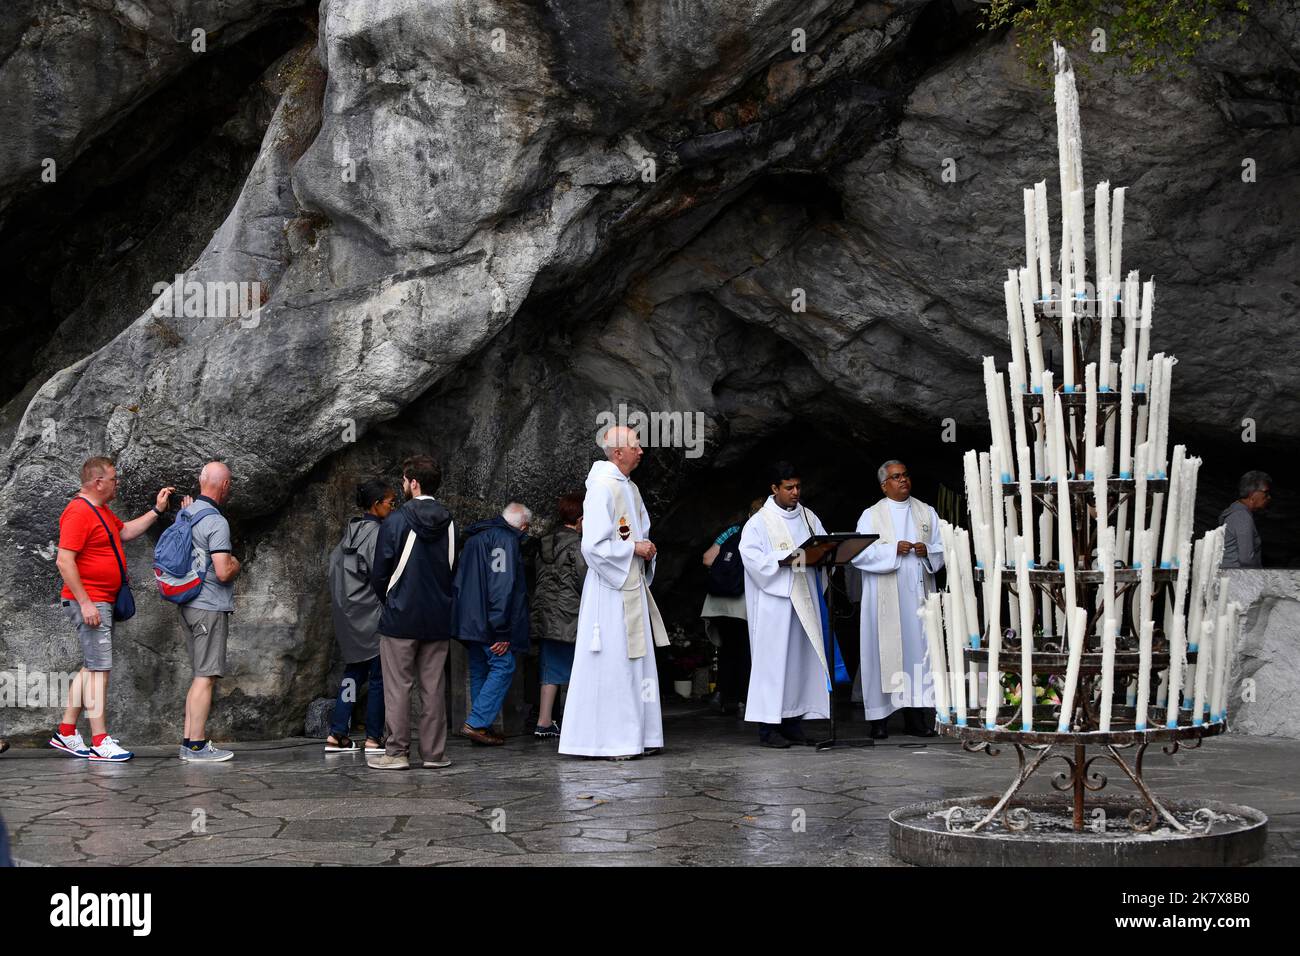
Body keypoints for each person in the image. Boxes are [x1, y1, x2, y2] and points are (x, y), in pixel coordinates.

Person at [50, 456, 178, 762]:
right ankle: (99, 741)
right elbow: (64, 560)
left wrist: (156, 511)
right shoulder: (78, 512)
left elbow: (124, 533)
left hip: (101, 600)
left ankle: (66, 732)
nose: (117, 483)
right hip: (90, 601)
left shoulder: (102, 511)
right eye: (114, 479)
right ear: (98, 482)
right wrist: (85, 602)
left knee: (91, 664)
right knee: (99, 669)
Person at [558, 426, 668, 760]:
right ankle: (610, 741)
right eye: (636, 446)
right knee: (613, 663)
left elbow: (640, 534)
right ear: (617, 453)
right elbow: (593, 546)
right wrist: (634, 548)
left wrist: (645, 549)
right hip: (610, 590)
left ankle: (639, 735)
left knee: (636, 663)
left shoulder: (630, 489)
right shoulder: (602, 489)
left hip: (630, 584)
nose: (642, 451)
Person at [368, 455, 456, 770]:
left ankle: (397, 753)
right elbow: (451, 568)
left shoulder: (395, 521)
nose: (403, 486)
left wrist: (390, 600)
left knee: (398, 687)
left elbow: (380, 572)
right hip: (437, 617)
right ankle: (434, 754)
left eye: (404, 480)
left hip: (400, 617)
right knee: (433, 687)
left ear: (413, 483)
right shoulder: (449, 521)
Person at [738, 462, 831, 748]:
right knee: (773, 664)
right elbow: (751, 558)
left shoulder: (808, 517)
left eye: (798, 487)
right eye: (789, 488)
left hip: (805, 600)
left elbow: (825, 545)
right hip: (774, 607)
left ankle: (793, 723)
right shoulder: (759, 522)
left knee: (799, 663)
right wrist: (784, 559)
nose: (795, 492)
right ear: (774, 488)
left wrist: (822, 554)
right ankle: (768, 729)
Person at [851, 460, 944, 739]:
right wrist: (892, 550)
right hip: (884, 599)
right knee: (882, 654)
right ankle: (879, 719)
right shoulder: (871, 515)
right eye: (895, 477)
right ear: (884, 485)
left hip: (917, 598)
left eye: (905, 475)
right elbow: (858, 554)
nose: (903, 480)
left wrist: (926, 550)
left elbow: (943, 547)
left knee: (918, 656)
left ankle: (916, 717)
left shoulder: (926, 512)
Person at [325, 478, 397, 754]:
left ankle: (338, 732)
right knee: (379, 676)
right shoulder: (379, 533)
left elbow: (335, 571)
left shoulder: (350, 532)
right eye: (390, 503)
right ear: (377, 504)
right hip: (372, 614)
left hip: (348, 614)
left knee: (353, 672)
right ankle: (373, 737)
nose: (393, 508)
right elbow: (382, 574)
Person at [176, 461, 240, 762]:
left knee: (199, 674)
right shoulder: (217, 522)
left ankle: (189, 741)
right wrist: (236, 563)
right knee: (206, 676)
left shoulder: (185, 513)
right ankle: (197, 746)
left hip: (187, 603)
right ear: (225, 486)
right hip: (209, 605)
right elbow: (223, 571)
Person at [453, 502, 532, 745]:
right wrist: (501, 630)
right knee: (503, 666)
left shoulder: (475, 538)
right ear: (524, 526)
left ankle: (481, 727)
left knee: (480, 669)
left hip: (468, 620)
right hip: (489, 622)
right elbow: (500, 585)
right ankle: (477, 722)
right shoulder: (505, 540)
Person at [531, 491, 586, 737]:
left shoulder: (544, 542)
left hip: (545, 615)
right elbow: (584, 580)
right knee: (581, 669)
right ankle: (577, 723)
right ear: (580, 519)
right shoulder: (578, 546)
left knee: (550, 668)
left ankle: (544, 722)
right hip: (570, 615)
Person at [701, 501, 761, 715]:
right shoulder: (762, 532)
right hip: (742, 603)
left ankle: (723, 694)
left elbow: (708, 559)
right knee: (745, 650)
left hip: (719, 603)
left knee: (727, 648)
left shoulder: (733, 530)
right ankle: (744, 698)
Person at [1220, 471, 1271, 569]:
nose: (1269, 497)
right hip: (1237, 579)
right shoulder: (1241, 516)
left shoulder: (1236, 511)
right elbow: (1246, 559)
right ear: (1253, 494)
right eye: (1266, 492)